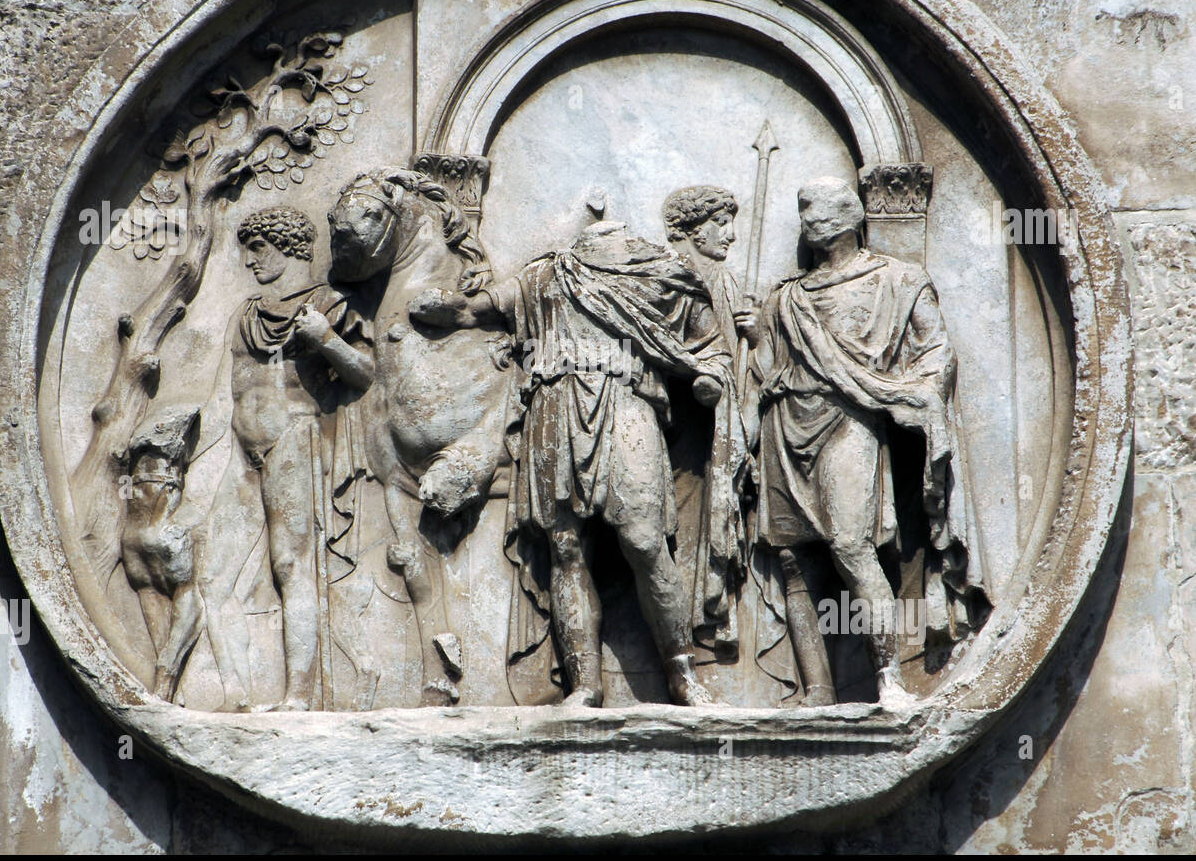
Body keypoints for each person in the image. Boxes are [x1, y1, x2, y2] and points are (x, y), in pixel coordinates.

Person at [409, 210, 746, 706]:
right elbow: (470, 312)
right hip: (554, 406)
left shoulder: (660, 270)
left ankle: (682, 674)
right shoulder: (545, 273)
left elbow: (711, 346)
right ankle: (585, 684)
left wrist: (711, 377)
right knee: (565, 549)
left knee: (646, 540)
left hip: (626, 400)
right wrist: (433, 302)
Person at [747, 177, 988, 707]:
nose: (813, 219)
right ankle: (817, 691)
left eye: (825, 209)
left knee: (851, 546)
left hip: (850, 418)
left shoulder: (898, 281)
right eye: (805, 210)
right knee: (793, 560)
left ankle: (889, 681)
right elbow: (766, 368)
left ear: (853, 216)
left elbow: (936, 351)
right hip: (787, 421)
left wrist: (916, 395)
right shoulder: (786, 296)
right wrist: (757, 336)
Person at [201, 207, 371, 710]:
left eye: (260, 248)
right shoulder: (246, 314)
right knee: (212, 574)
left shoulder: (329, 305)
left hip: (295, 440)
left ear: (291, 248)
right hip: (240, 448)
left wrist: (326, 339)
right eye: (247, 249)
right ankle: (233, 693)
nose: (249, 260)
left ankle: (297, 696)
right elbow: (222, 394)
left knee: (290, 564)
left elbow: (365, 373)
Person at [661, 185, 758, 660]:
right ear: (692, 228)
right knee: (669, 521)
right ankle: (673, 631)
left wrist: (756, 334)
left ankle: (705, 615)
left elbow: (753, 362)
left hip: (717, 428)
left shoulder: (728, 282)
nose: (731, 235)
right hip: (671, 424)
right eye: (721, 223)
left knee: (711, 517)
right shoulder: (662, 274)